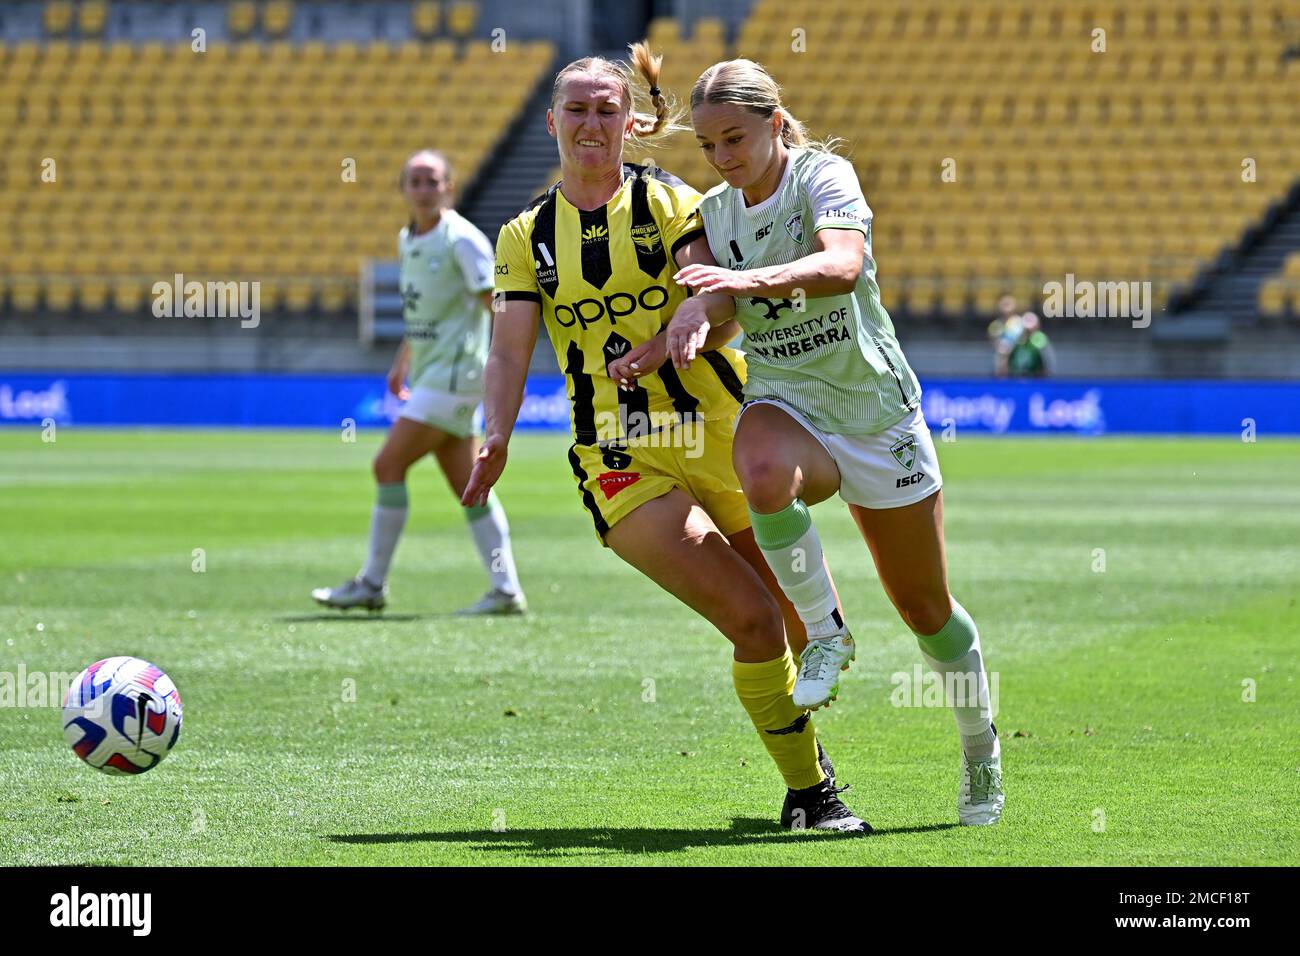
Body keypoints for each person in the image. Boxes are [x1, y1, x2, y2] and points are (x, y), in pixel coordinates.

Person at [461, 44, 869, 833]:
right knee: (751, 621)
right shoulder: (524, 237)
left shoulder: (669, 204)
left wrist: (684, 328)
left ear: (627, 122)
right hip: (619, 456)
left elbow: (704, 293)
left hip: (725, 433)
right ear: (551, 122)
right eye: (575, 109)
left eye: (604, 109)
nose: (589, 122)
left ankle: (804, 754)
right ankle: (811, 795)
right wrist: (496, 435)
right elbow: (510, 348)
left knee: (796, 626)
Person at [666, 58, 1004, 825]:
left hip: (875, 414)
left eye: (736, 139)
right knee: (758, 466)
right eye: (710, 146)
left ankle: (980, 747)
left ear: (776, 123)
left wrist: (739, 287)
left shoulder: (825, 175)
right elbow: (723, 316)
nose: (723, 159)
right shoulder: (716, 214)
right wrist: (686, 326)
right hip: (790, 401)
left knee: (925, 608)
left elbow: (842, 268)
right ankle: (824, 634)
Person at [313, 149, 527, 615]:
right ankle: (506, 590)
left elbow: (497, 303)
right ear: (404, 190)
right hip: (432, 372)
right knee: (469, 485)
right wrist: (401, 361)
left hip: (456, 375)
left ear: (449, 187)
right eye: (416, 181)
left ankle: (371, 583)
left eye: (433, 180)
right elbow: (422, 312)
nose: (425, 189)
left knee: (387, 466)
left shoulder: (462, 240)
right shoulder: (408, 239)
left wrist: (508, 362)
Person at [1004, 311, 1054, 378]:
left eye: (1030, 329)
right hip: (1015, 376)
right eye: (1026, 329)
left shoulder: (1041, 339)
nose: (1028, 331)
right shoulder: (1015, 339)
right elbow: (1006, 357)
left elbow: (1047, 360)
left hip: (1035, 377)